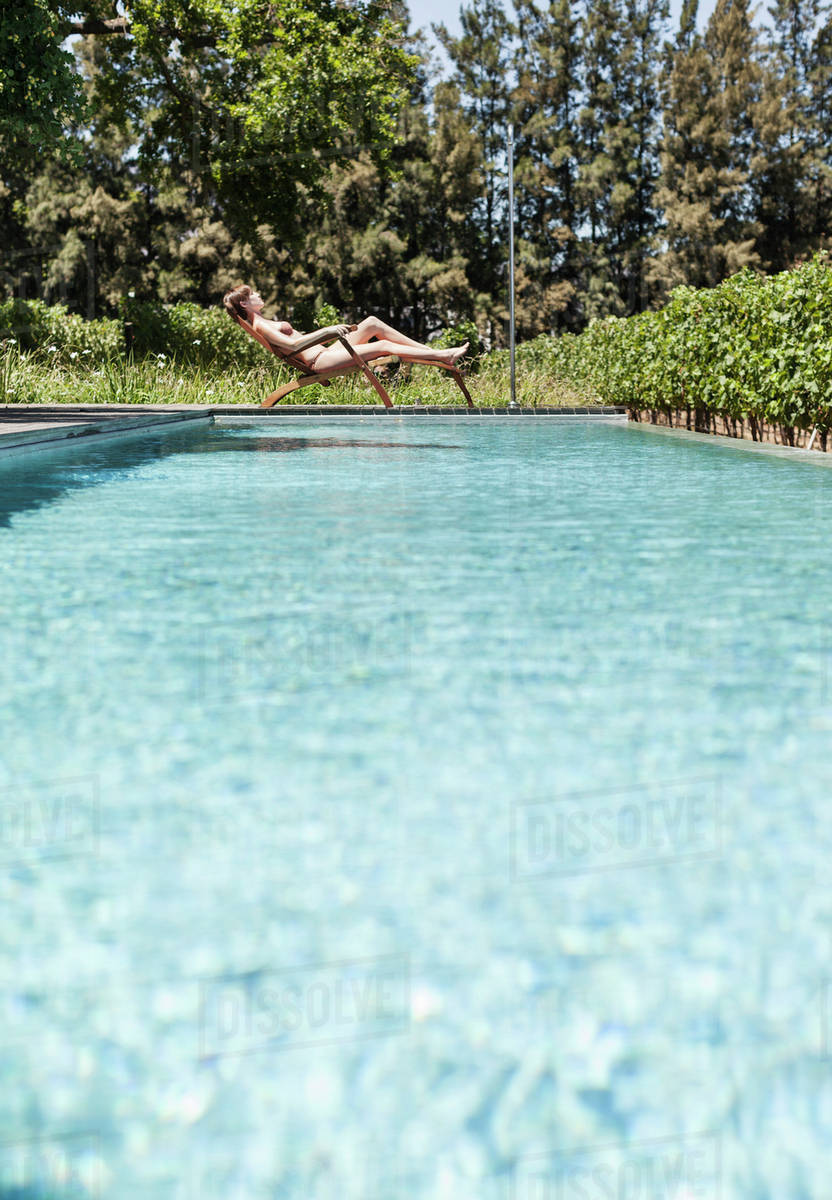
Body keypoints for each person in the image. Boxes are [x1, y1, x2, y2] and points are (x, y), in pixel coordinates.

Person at [223, 285, 468, 373]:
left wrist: (328, 335)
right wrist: (329, 330)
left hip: (326, 352)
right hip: (320, 360)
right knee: (381, 346)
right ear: (244, 303)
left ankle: (432, 352)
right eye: (251, 294)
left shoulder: (263, 321)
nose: (257, 294)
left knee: (372, 322)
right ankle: (444, 356)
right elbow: (294, 346)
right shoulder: (261, 326)